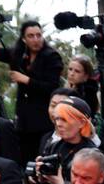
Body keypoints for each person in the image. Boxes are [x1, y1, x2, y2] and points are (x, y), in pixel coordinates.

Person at [10, 20, 65, 164]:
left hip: (42, 121)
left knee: (39, 158)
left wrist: (26, 80)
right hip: (23, 121)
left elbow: (52, 87)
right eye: (31, 36)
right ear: (24, 39)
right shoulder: (20, 54)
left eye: (38, 35)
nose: (36, 39)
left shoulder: (51, 56)